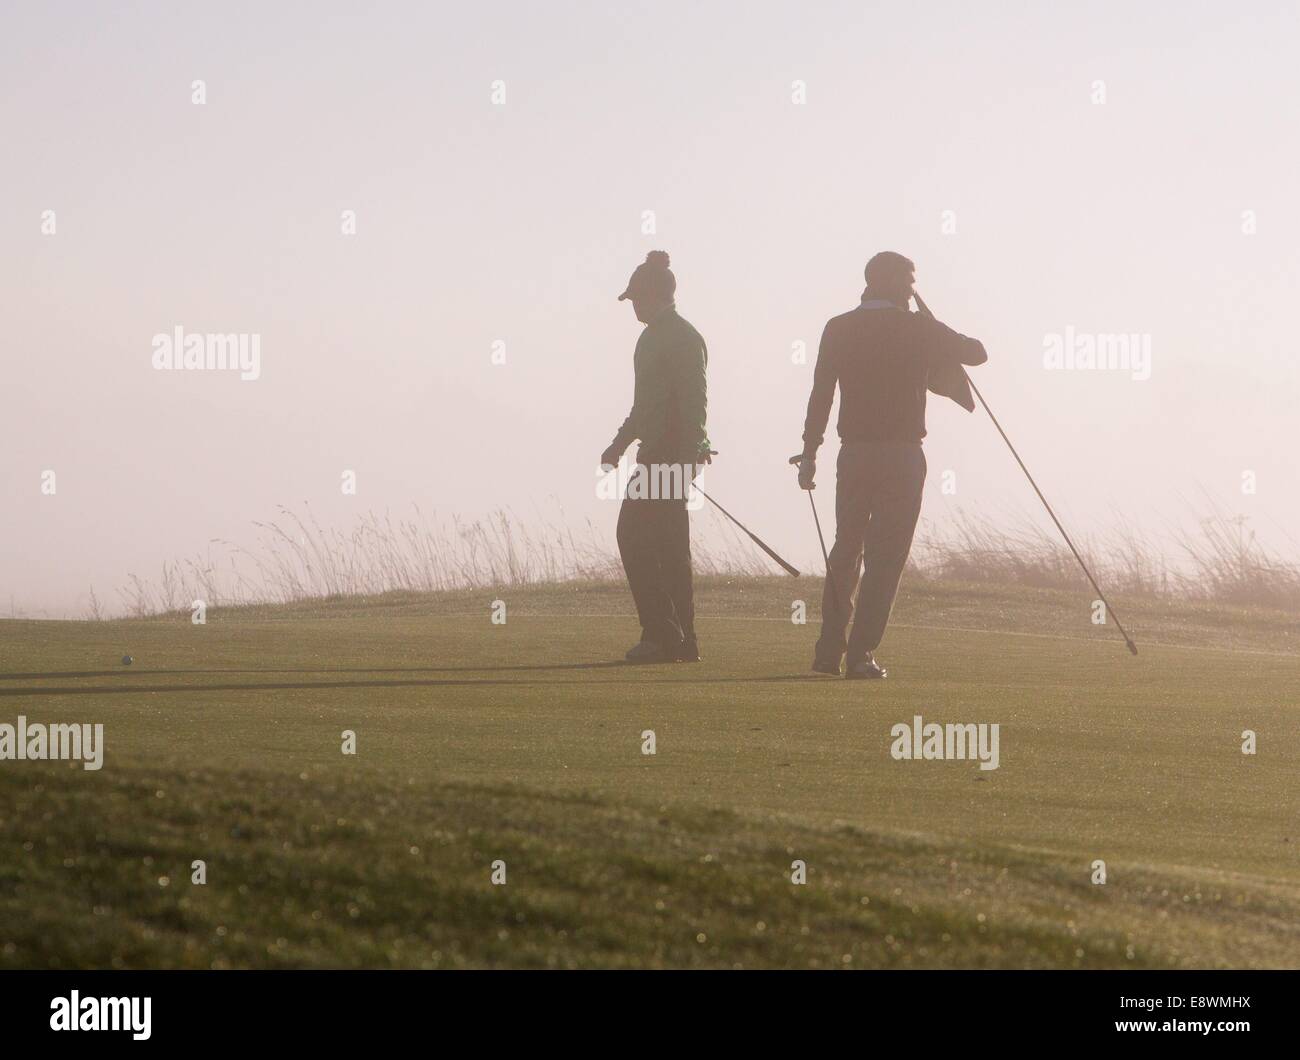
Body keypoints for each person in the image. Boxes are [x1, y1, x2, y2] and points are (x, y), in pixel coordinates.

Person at [797, 251, 987, 679]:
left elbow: (821, 395)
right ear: (898, 285)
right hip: (902, 455)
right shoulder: (918, 328)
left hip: (854, 453)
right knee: (884, 557)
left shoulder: (839, 327)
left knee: (847, 547)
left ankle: (828, 651)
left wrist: (810, 451)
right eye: (911, 284)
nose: (913, 290)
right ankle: (861, 654)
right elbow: (977, 354)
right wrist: (930, 317)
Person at [601, 251, 712, 663]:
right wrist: (619, 444)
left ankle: (662, 634)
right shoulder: (652, 337)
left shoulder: (681, 337)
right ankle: (682, 640)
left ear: (651, 296)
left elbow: (695, 402)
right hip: (657, 453)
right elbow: (643, 406)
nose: (632, 306)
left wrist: (690, 455)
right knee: (668, 549)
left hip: (667, 456)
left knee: (634, 537)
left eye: (635, 299)